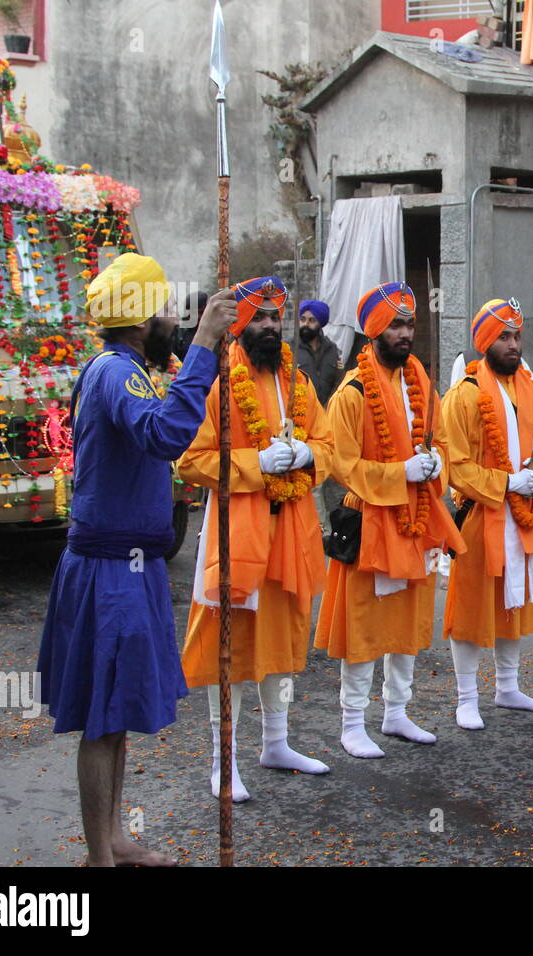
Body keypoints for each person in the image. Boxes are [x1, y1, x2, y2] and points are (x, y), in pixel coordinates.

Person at [37, 254, 235, 865]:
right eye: (166, 308)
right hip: (108, 568)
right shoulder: (114, 373)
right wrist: (203, 345)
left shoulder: (129, 368)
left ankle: (115, 838)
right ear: (139, 317)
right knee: (102, 717)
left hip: (133, 565)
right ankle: (100, 856)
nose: (173, 318)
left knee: (116, 711)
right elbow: (166, 435)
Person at [179, 276, 334, 802]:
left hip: (290, 528)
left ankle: (276, 743)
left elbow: (328, 442)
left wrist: (309, 456)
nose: (270, 325)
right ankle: (223, 763)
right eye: (260, 317)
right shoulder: (217, 380)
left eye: (276, 316)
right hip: (235, 531)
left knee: (281, 639)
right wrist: (254, 463)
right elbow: (190, 460)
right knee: (232, 648)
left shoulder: (298, 383)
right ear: (239, 323)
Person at [315, 282, 462, 756]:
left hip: (417, 519)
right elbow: (342, 465)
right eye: (396, 325)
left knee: (407, 618)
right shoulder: (353, 392)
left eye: (410, 325)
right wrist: (398, 473)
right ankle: (353, 722)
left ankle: (397, 713)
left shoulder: (419, 377)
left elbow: (438, 437)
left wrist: (436, 462)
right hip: (372, 522)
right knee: (365, 624)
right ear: (374, 330)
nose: (405, 334)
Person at [439, 298, 533, 729]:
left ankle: (508, 687)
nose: (514, 345)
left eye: (517, 336)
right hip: (482, 513)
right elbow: (454, 465)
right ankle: (466, 698)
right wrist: (507, 482)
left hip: (526, 513)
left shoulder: (532, 387)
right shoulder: (465, 395)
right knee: (473, 606)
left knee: (514, 601)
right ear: (486, 342)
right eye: (504, 337)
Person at [295, 299, 343, 407]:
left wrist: (329, 407)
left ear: (320, 323)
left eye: (311, 320)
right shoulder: (289, 350)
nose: (305, 324)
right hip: (301, 413)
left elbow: (339, 380)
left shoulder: (332, 350)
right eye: (302, 319)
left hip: (328, 413)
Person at [175, 290, 209, 361]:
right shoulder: (179, 333)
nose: (200, 317)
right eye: (195, 313)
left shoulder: (217, 331)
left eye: (203, 312)